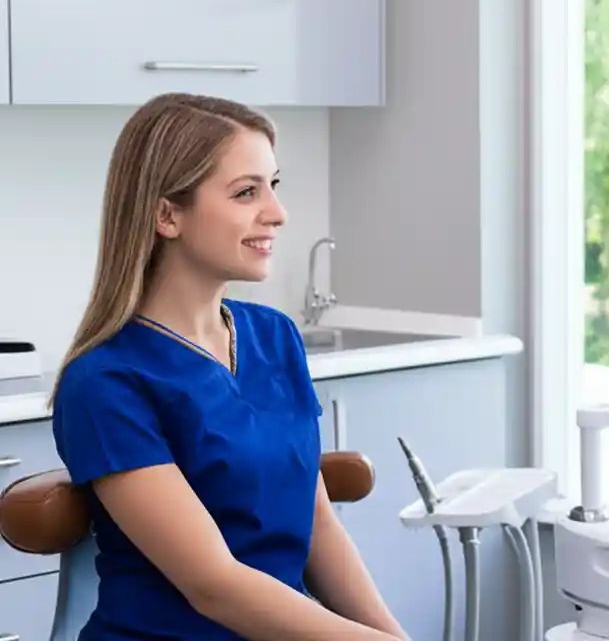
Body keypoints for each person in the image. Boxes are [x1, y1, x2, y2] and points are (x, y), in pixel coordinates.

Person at [49, 93, 407, 640]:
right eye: (246, 192)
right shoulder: (105, 382)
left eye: (273, 186)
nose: (277, 213)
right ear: (167, 215)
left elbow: (318, 528)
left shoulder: (274, 336)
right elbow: (213, 583)